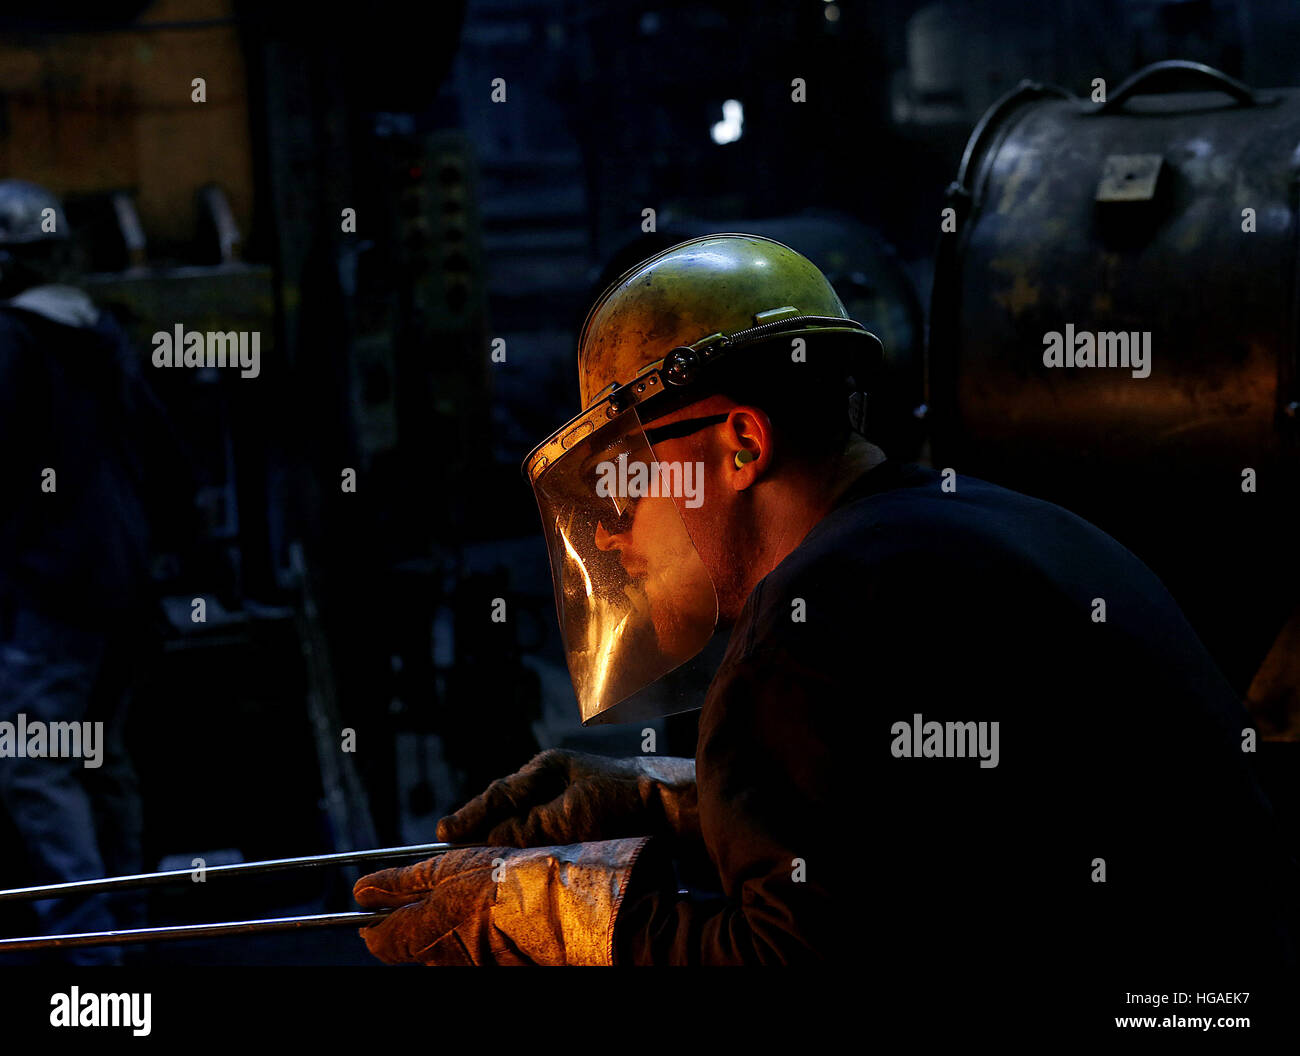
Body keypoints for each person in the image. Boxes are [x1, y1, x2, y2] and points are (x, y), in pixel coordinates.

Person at [354, 233, 1298, 972]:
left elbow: (803, 961)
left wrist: (565, 923)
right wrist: (675, 802)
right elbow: (941, 822)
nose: (607, 528)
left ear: (740, 445)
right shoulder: (990, 529)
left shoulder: (817, 622)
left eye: (628, 475)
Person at [0, 180, 190, 964]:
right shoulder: (102, 335)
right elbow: (169, 462)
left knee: (30, 764)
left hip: (57, 587)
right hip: (121, 587)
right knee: (95, 756)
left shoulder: (13, 343)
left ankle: (90, 947)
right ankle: (131, 923)